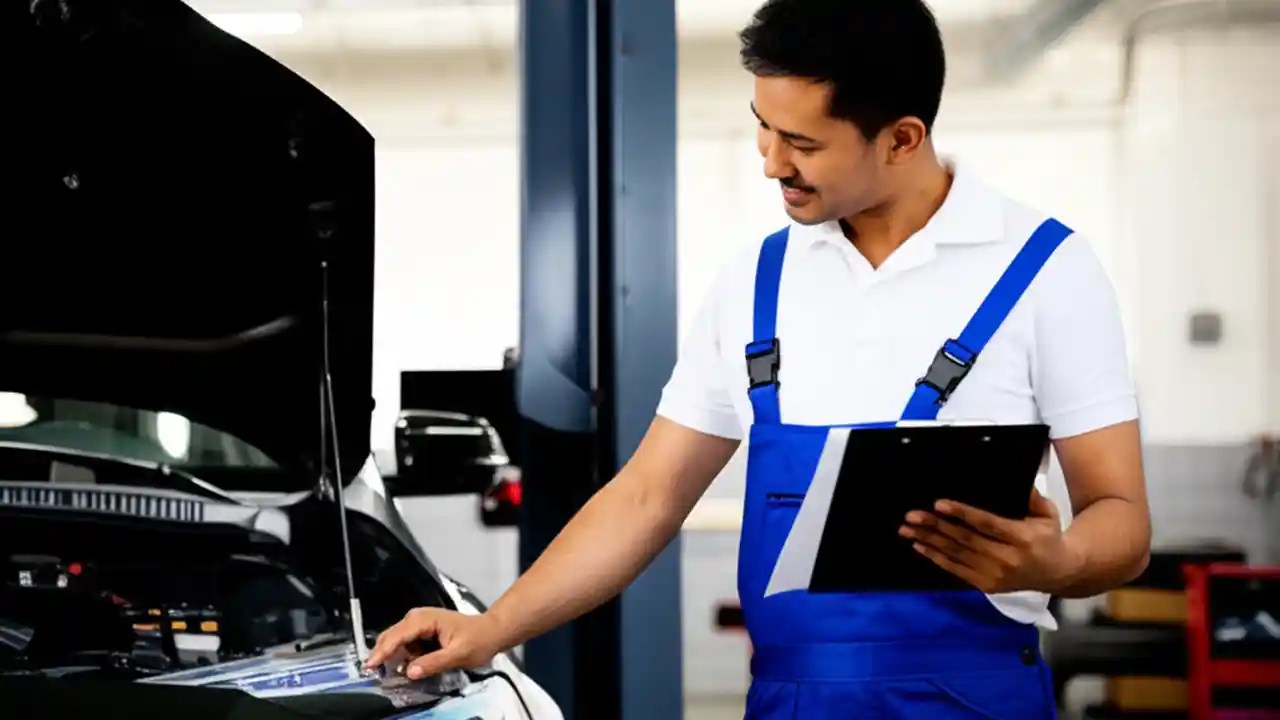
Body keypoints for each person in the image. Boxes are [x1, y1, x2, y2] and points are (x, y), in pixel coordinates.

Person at [365, 0, 1152, 716]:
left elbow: (1122, 521)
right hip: (787, 698)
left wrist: (1058, 560)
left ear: (903, 138)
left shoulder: (1046, 271)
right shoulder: (756, 282)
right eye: (762, 127)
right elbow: (646, 497)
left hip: (978, 696)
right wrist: (492, 627)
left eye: (802, 141)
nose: (771, 161)